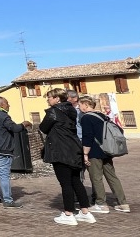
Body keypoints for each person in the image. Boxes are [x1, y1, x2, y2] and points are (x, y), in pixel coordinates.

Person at [39, 88, 95, 226]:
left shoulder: (53, 112)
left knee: (65, 183)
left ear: (57, 98)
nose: (48, 100)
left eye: (50, 97)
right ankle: (85, 211)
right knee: (76, 180)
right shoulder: (72, 111)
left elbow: (43, 127)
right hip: (74, 148)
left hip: (61, 150)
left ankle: (68, 213)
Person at [78, 96, 130, 213]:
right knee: (112, 177)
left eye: (80, 105)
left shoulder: (86, 118)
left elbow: (88, 136)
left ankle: (101, 203)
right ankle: (123, 203)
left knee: (96, 177)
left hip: (94, 151)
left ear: (86, 104)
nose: (79, 107)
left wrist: (85, 153)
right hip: (106, 150)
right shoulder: (102, 116)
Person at [0, 96, 30, 209]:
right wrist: (23, 124)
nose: (9, 106)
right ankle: (7, 200)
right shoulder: (3, 116)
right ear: (1, 104)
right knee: (4, 175)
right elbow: (14, 128)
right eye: (7, 103)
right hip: (2, 150)